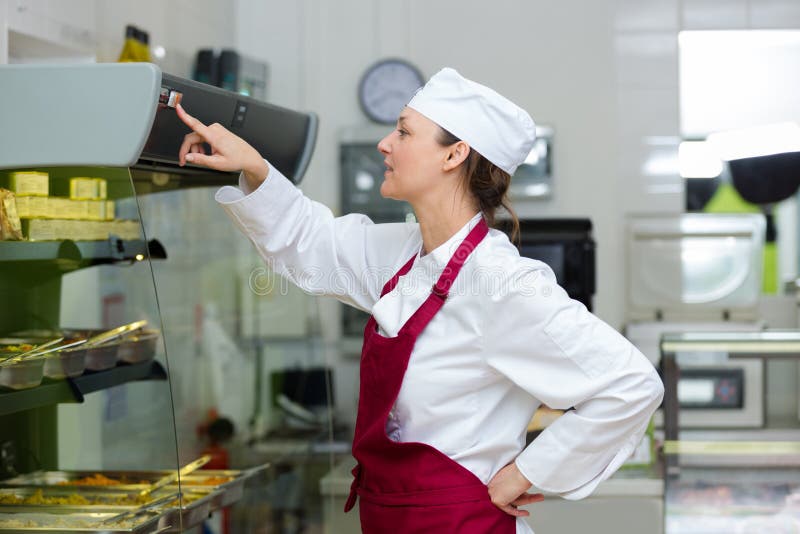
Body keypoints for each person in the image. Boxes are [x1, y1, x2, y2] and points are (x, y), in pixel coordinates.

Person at [176, 67, 664, 534]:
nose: (385, 144)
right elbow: (313, 243)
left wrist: (529, 472)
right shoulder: (402, 254)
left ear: (454, 156)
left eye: (404, 133)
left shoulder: (502, 282)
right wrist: (254, 166)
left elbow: (632, 385)